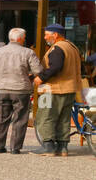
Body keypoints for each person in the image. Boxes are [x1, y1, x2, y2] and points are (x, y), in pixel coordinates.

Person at [0, 28, 41, 154]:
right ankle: (15, 148)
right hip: (21, 89)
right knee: (20, 119)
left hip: (2, 90)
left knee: (1, 118)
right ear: (21, 39)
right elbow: (38, 70)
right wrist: (29, 77)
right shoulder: (28, 52)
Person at [34, 23, 84, 157]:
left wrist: (41, 77)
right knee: (64, 118)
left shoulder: (57, 48)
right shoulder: (72, 47)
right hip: (70, 89)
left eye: (46, 35)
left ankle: (48, 147)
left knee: (45, 116)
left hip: (52, 89)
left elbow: (55, 67)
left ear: (55, 35)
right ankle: (62, 148)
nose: (45, 38)